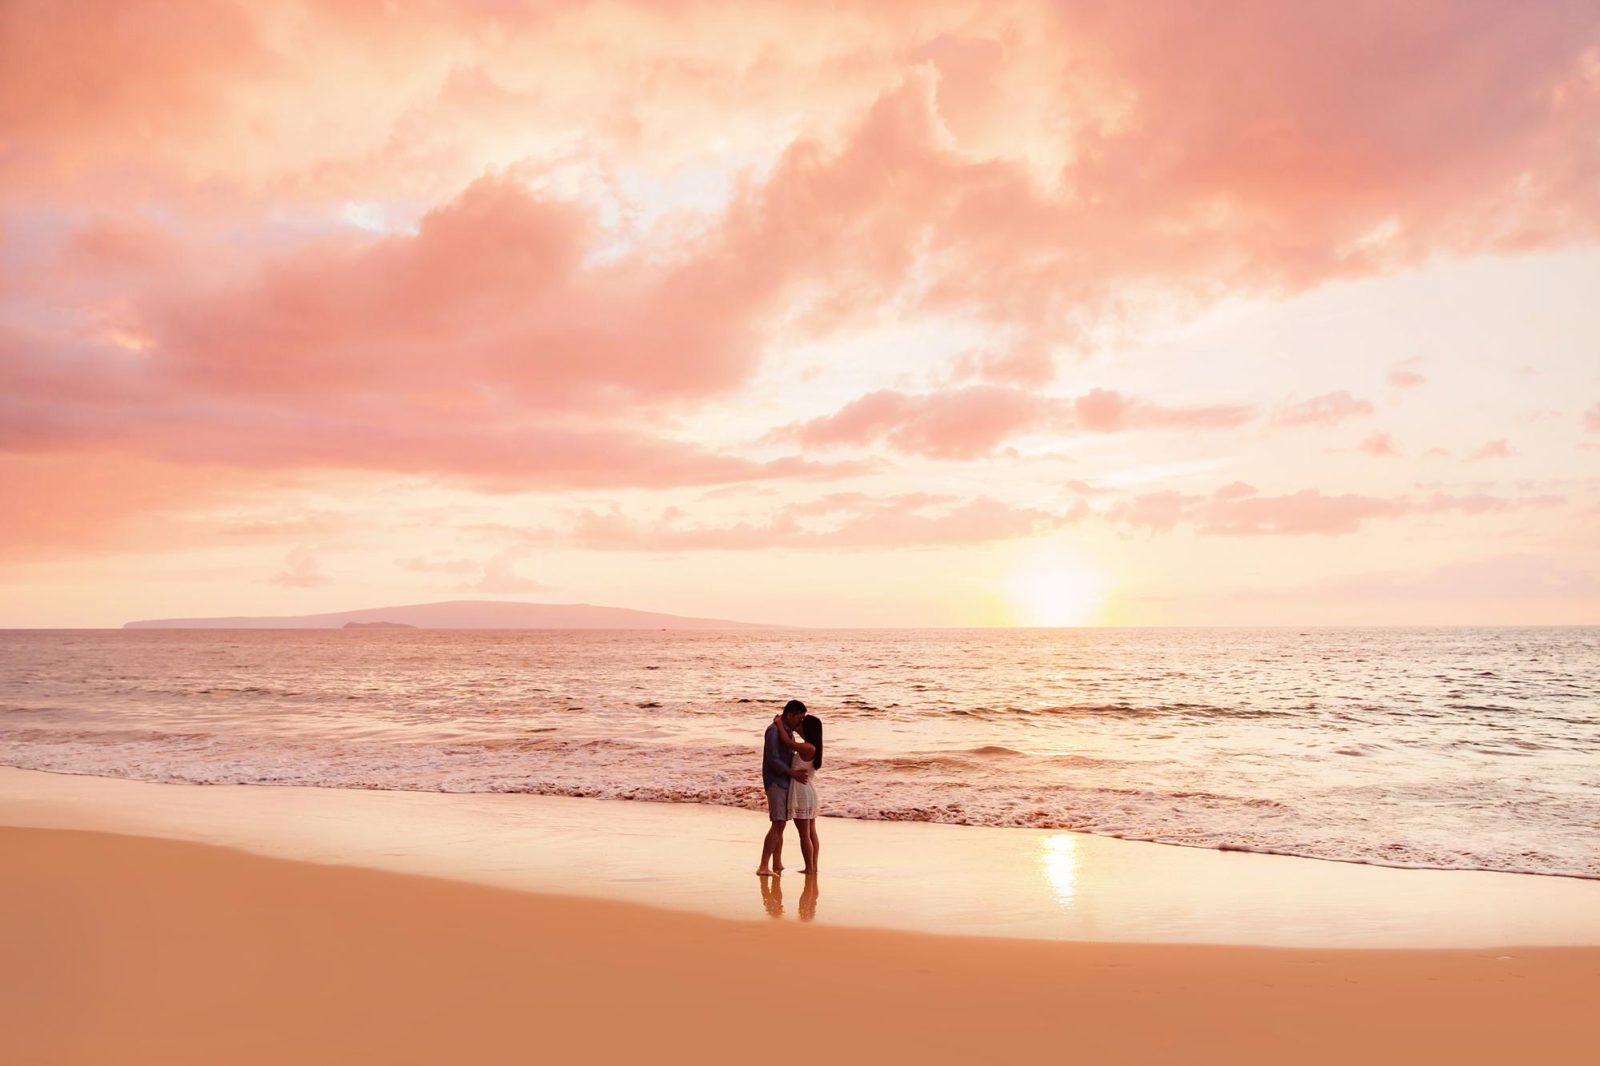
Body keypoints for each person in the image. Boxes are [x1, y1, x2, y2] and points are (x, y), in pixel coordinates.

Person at [756, 700, 810, 877]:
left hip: (784, 780)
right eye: (799, 718)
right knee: (777, 822)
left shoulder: (787, 731)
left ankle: (776, 862)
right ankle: (763, 865)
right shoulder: (773, 731)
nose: (800, 722)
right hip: (776, 781)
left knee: (781, 824)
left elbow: (791, 749)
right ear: (790, 715)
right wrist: (793, 773)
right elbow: (772, 759)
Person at [773, 711, 823, 873]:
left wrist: (780, 723)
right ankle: (813, 866)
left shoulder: (807, 747)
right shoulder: (812, 746)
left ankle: (809, 867)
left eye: (802, 724)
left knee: (804, 834)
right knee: (811, 832)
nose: (798, 726)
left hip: (801, 791)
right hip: (807, 790)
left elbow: (787, 742)